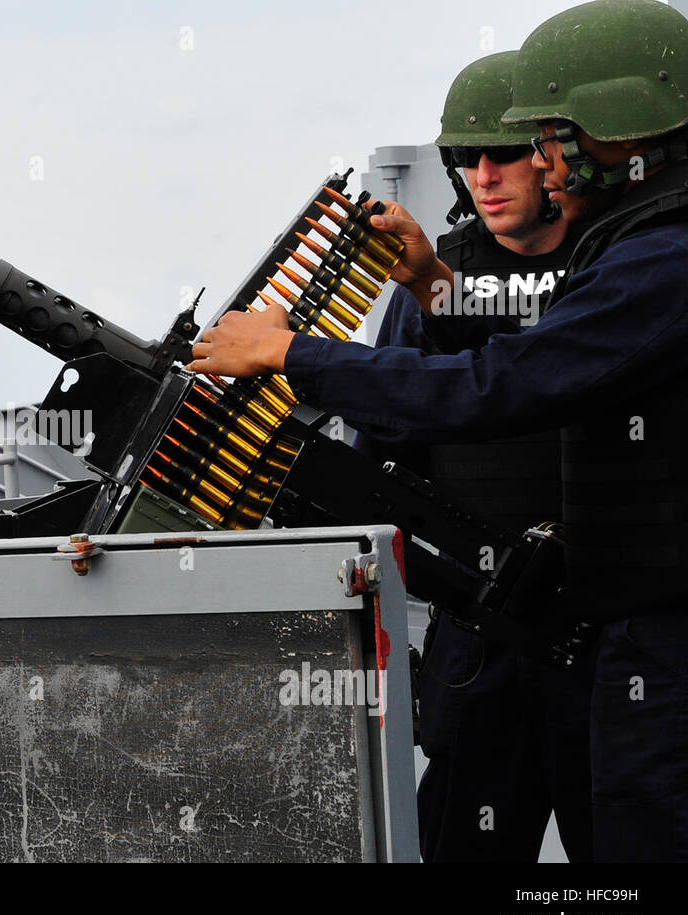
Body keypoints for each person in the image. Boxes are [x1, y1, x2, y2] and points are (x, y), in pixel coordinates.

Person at [188, 0, 688, 862]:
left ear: (621, 126)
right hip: (542, 632)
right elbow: (527, 356)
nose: (535, 164)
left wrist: (288, 351)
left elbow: (513, 382)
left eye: (550, 139)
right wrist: (433, 290)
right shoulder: (641, 247)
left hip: (651, 639)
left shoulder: (662, 257)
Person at [365, 50, 593, 864]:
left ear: (552, 154)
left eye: (503, 154)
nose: (485, 175)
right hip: (481, 630)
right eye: (466, 158)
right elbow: (390, 450)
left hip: (610, 627)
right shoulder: (436, 279)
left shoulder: (616, 267)